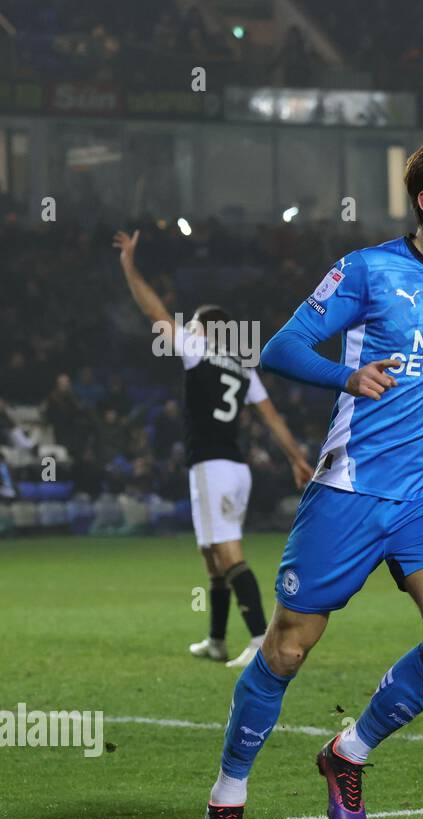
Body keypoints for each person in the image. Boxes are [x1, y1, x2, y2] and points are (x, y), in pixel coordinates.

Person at [201, 134, 423, 819]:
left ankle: (349, 752)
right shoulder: (368, 272)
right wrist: (345, 379)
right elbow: (280, 348)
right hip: (348, 492)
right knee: (286, 648)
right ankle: (227, 799)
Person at [113, 230, 315, 668]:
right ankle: (217, 640)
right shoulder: (243, 366)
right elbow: (272, 418)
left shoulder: (198, 349)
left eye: (193, 323)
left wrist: (129, 266)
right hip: (233, 467)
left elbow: (154, 311)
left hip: (212, 465)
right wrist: (297, 459)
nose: (187, 328)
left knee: (227, 553)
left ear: (204, 329)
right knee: (212, 556)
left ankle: (262, 637)